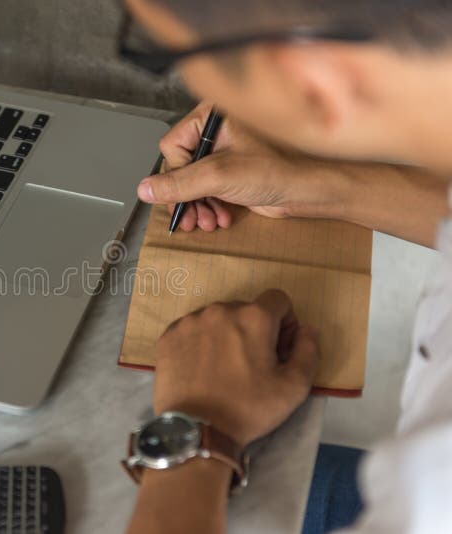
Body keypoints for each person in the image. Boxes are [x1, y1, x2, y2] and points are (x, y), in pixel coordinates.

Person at [120, 1, 452, 533]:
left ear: (313, 82)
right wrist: (312, 185)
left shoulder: (436, 488)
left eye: (159, 52)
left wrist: (198, 429)